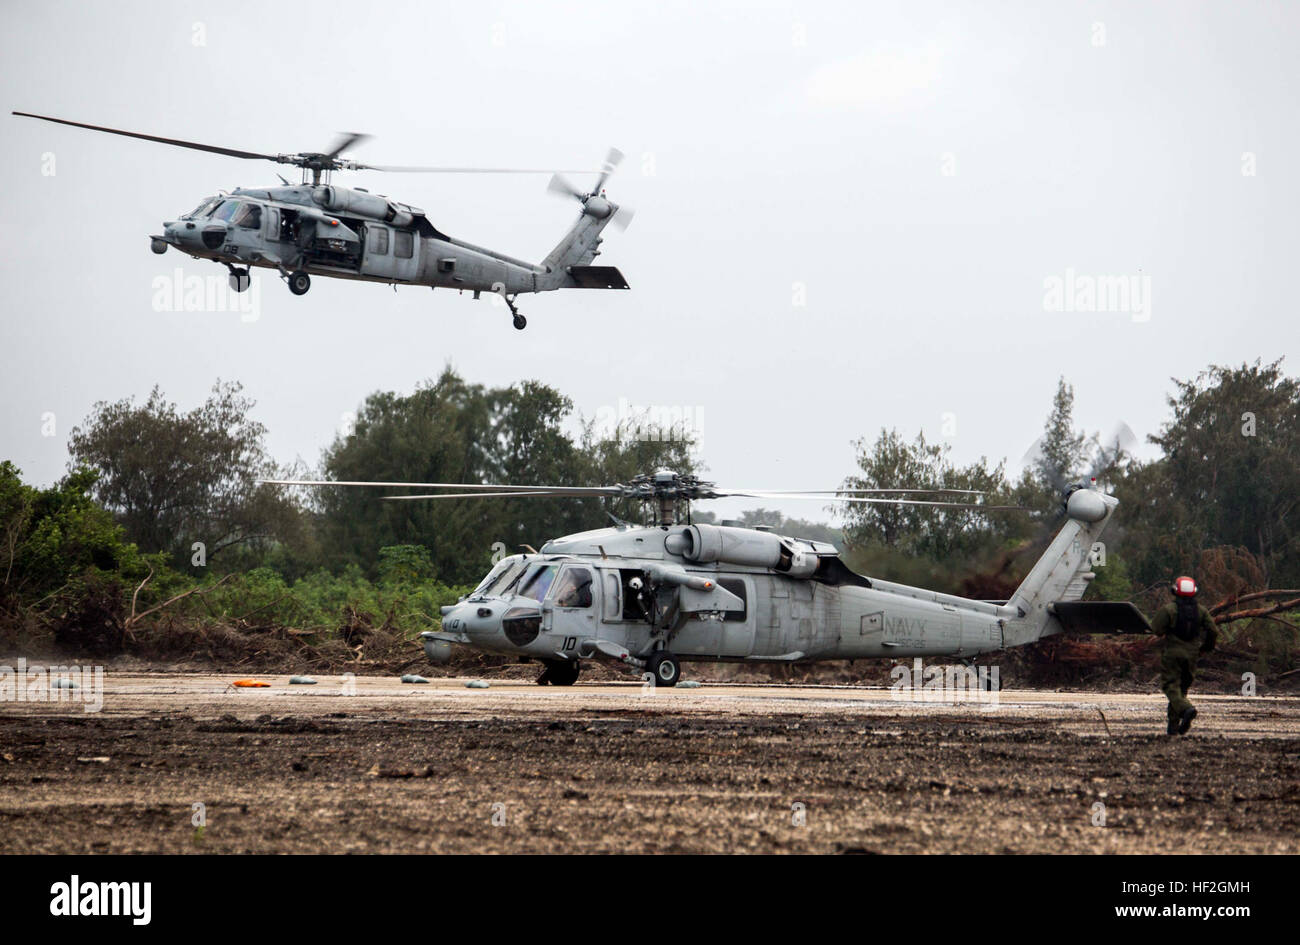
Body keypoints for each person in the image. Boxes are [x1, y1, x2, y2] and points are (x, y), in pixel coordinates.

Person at [1148, 576, 1218, 735]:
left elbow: (1156, 629)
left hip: (1173, 653)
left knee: (1170, 686)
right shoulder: (1202, 611)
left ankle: (1187, 709)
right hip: (1192, 654)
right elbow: (1213, 631)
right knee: (1181, 689)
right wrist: (1206, 647)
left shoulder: (1169, 609)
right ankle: (1173, 727)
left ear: (1175, 591)